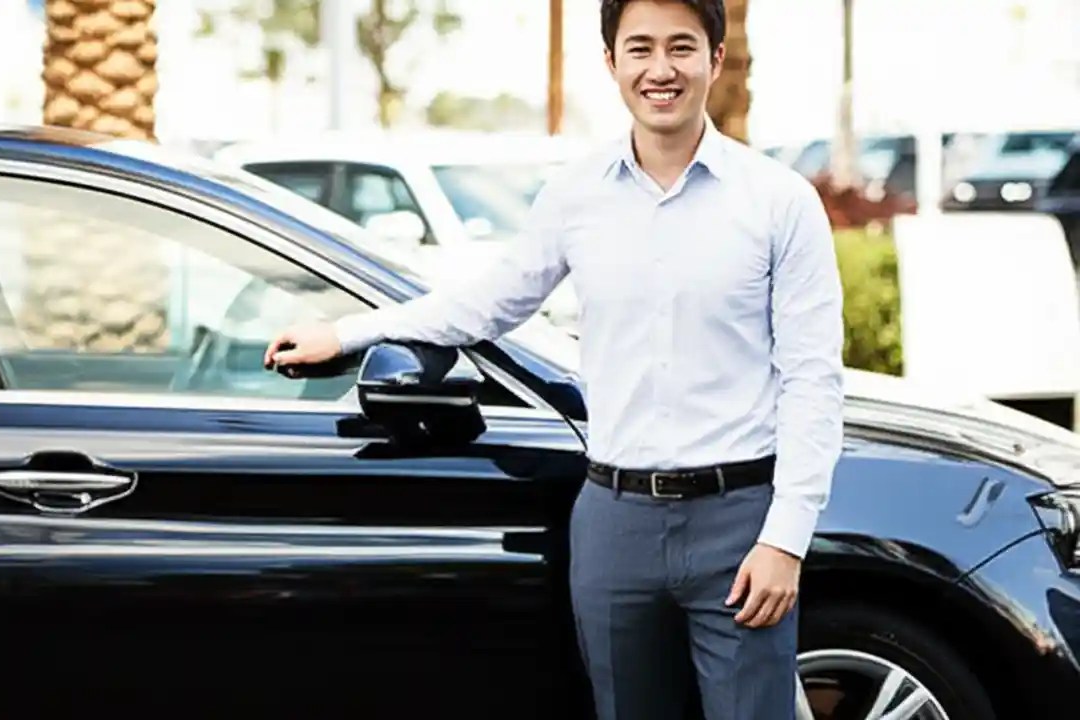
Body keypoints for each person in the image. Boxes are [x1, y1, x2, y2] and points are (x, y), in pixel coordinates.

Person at [263, 0, 844, 717]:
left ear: (715, 59)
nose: (660, 69)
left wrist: (785, 541)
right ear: (611, 63)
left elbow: (813, 381)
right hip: (614, 525)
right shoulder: (576, 196)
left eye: (681, 48)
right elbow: (486, 304)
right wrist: (350, 331)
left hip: (739, 522)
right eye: (639, 49)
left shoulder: (778, 202)